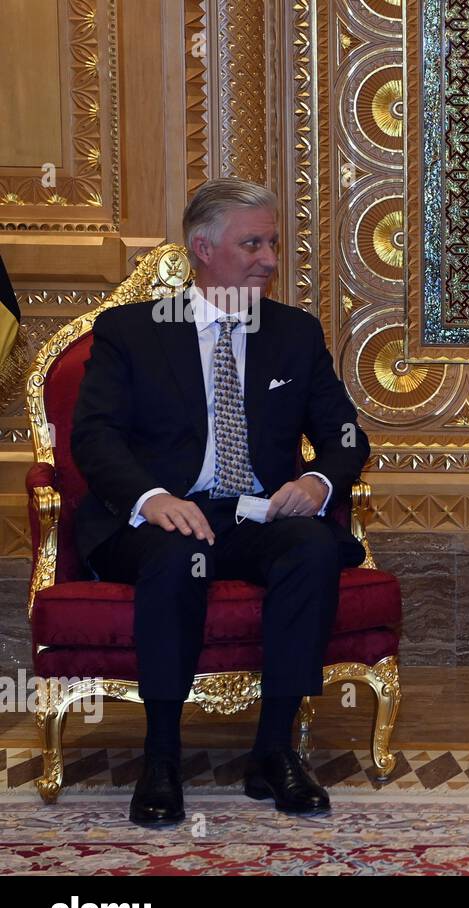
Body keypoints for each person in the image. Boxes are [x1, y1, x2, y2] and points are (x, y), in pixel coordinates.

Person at [71, 178, 370, 826]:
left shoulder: (293, 334)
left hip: (251, 517)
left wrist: (318, 483)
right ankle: (162, 757)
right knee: (177, 555)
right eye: (252, 243)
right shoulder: (132, 330)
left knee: (314, 548)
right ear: (203, 249)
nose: (268, 258)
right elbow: (93, 434)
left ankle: (273, 752)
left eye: (273, 244)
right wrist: (150, 498)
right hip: (157, 520)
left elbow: (345, 435)